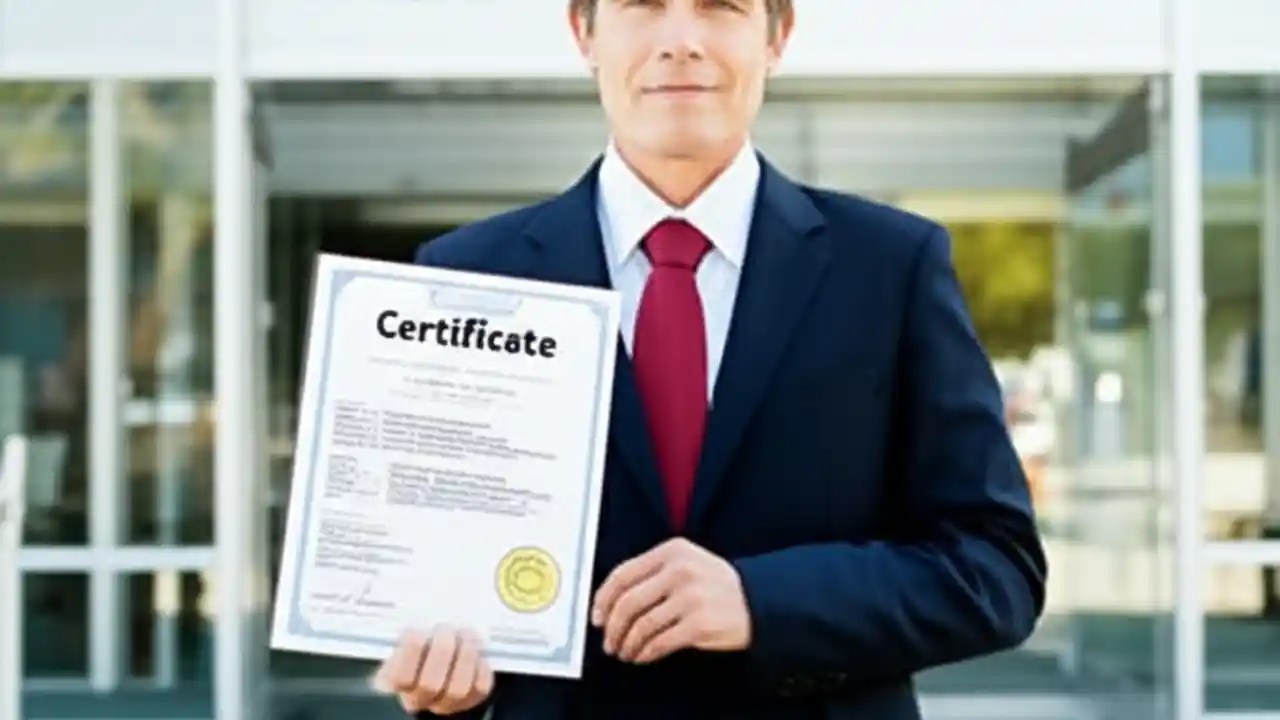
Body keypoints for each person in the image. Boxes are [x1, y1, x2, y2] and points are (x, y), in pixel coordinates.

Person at [374, 0, 1047, 718]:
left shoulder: (891, 267)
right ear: (585, 32)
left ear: (777, 35)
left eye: (719, 6)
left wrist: (763, 602)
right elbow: (436, 582)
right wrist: (446, 689)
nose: (681, 42)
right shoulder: (467, 277)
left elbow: (995, 568)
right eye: (644, 6)